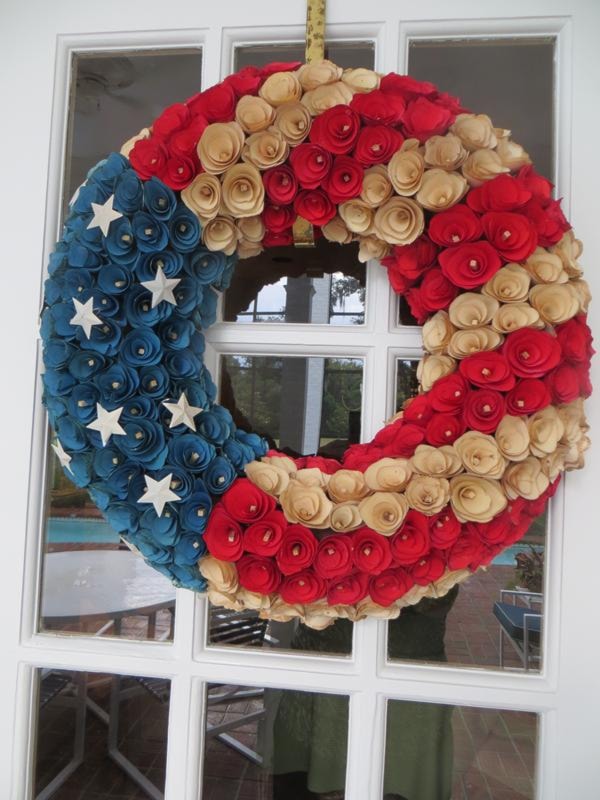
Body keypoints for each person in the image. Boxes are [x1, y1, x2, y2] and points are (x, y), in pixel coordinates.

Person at [268, 586, 459, 800]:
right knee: (301, 774)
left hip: (406, 670)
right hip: (324, 661)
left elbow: (437, 598)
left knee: (400, 776)